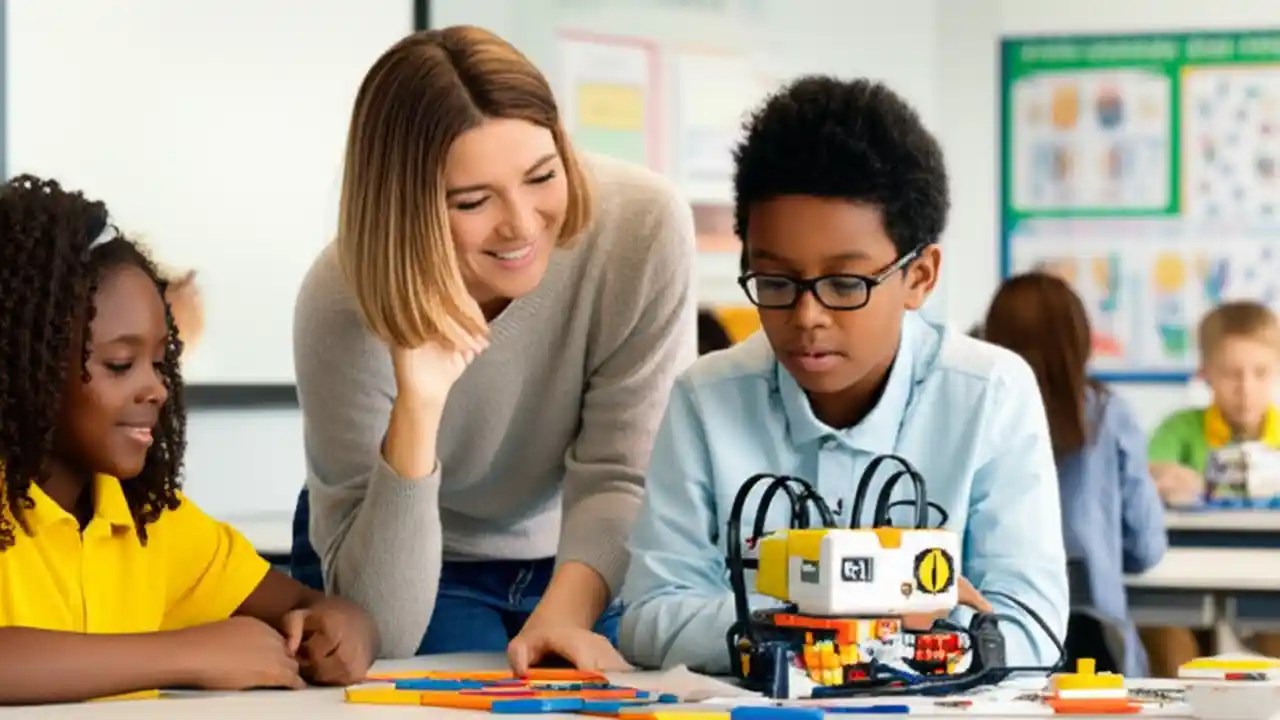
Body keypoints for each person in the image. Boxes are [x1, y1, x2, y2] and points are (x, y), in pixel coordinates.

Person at [618, 76, 1068, 673]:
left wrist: (777, 619)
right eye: (776, 283)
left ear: (921, 276)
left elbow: (1030, 629)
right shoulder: (707, 399)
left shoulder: (989, 395)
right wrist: (858, 613)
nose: (807, 318)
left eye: (844, 284)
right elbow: (650, 619)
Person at [290, 25, 696, 670]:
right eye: (473, 201)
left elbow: (622, 471)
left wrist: (561, 618)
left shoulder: (642, 227)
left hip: (581, 548)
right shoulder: (341, 301)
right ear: (408, 207)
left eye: (542, 176)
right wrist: (418, 406)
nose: (521, 224)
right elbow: (385, 629)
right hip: (405, 551)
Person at [0, 176, 377, 705]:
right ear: (22, 367)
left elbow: (310, 603)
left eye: (160, 362)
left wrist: (344, 627)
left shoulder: (151, 519)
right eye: (120, 364)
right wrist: (189, 653)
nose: (156, 387)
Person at [983, 272, 1167, 677]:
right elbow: (1146, 548)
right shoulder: (1108, 414)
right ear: (1080, 338)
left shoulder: (979, 411)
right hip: (1094, 634)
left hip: (998, 632)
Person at [1143, 301, 1280, 674]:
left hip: (1269, 575)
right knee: (1161, 623)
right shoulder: (1180, 429)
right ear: (1206, 373)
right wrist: (1171, 479)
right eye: (1232, 373)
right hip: (1185, 576)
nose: (1246, 388)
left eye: (1261, 372)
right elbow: (1150, 474)